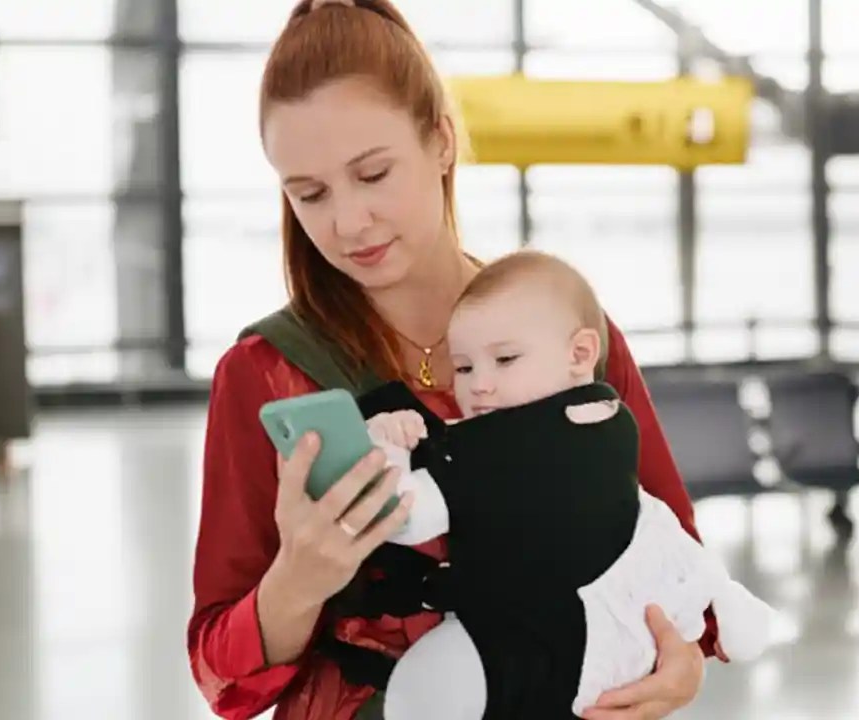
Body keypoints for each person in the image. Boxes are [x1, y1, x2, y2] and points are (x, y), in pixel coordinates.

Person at [187, 1, 720, 718]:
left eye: (373, 174)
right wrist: (297, 582)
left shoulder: (569, 330)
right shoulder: (265, 373)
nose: (348, 223)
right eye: (308, 194)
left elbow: (674, 555)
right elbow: (221, 677)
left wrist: (679, 664)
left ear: (441, 141)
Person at [362, 251, 774, 720]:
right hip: (594, 650)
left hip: (541, 653)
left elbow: (403, 513)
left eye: (505, 359)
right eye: (465, 368)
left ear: (580, 354)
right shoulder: (605, 422)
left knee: (421, 696)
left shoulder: (513, 443)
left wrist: (385, 448)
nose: (480, 385)